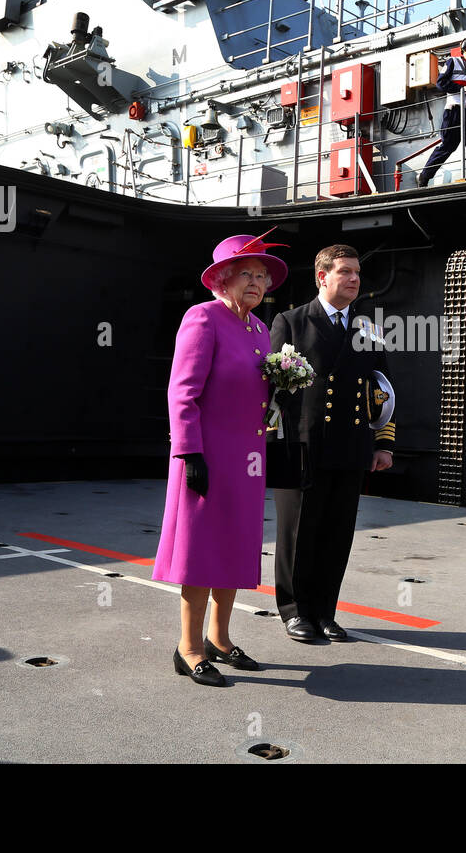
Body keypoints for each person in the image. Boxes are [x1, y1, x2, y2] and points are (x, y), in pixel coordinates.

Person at [152, 233, 289, 686]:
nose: (257, 282)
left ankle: (220, 638)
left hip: (247, 456)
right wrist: (189, 451)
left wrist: (277, 395)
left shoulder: (260, 329)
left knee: (234, 544)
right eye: (247, 274)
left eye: (262, 275)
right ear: (224, 280)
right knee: (202, 549)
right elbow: (182, 392)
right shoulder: (203, 318)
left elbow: (252, 388)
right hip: (207, 454)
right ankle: (188, 648)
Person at [268, 244, 395, 643]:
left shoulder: (369, 329)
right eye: (345, 272)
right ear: (322, 277)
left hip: (351, 445)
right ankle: (294, 611)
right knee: (298, 532)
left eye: (357, 272)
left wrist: (384, 443)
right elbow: (271, 391)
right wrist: (270, 443)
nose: (355, 279)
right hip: (302, 445)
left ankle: (325, 612)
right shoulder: (290, 322)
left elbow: (384, 390)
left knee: (336, 533)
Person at [417, 36, 466, 186]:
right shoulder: (452, 62)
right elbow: (441, 83)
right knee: (448, 145)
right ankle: (425, 176)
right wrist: (461, 89)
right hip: (454, 111)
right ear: (465, 46)